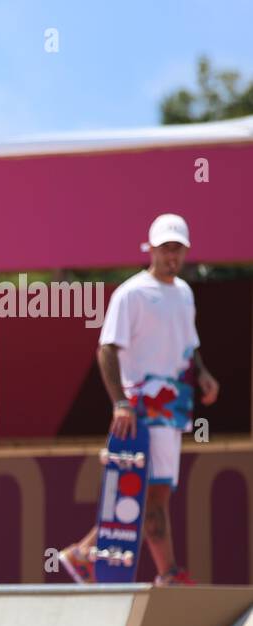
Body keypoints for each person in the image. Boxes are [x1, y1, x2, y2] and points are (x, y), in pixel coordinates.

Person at [60, 213, 219, 586]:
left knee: (155, 492)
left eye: (177, 249)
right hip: (141, 408)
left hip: (174, 407)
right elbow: (107, 349)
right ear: (152, 249)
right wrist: (120, 402)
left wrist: (203, 373)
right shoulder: (130, 293)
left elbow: (189, 345)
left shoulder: (184, 293)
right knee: (145, 491)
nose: (172, 256)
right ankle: (161, 571)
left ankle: (92, 555)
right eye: (165, 249)